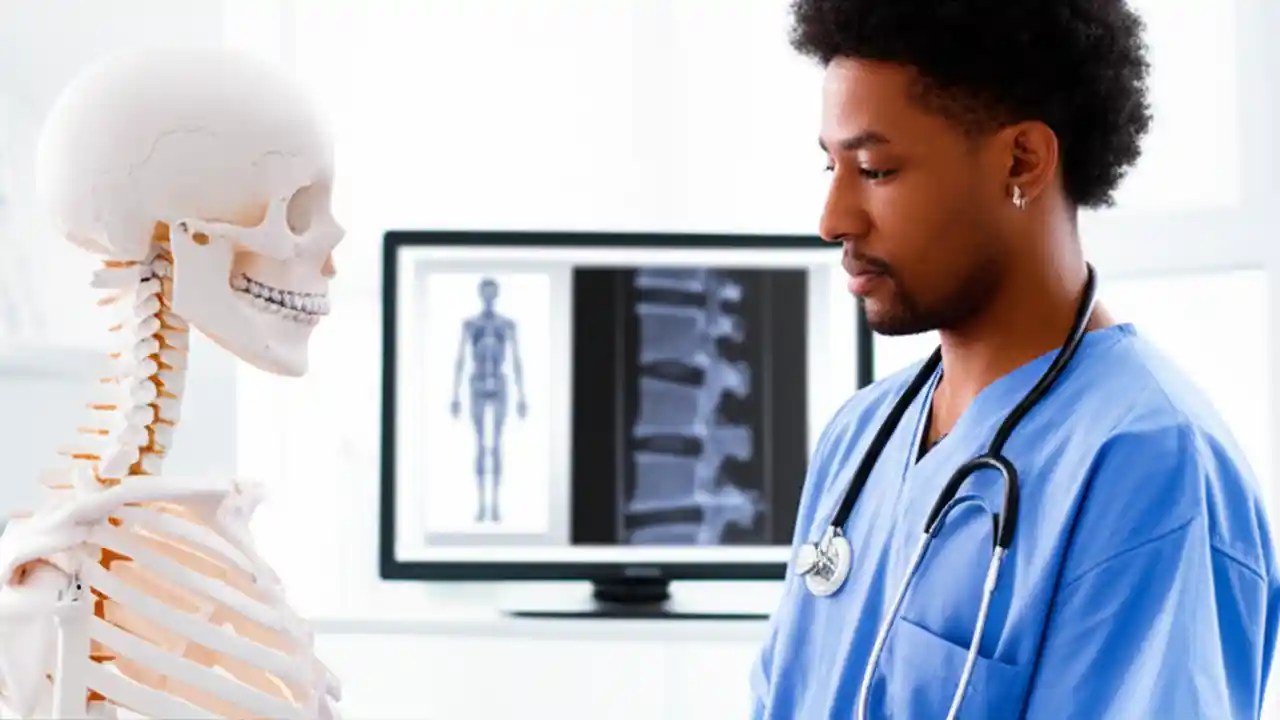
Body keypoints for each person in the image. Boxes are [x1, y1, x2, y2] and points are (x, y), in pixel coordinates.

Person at [751, 1, 1280, 718]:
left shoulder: (1150, 465)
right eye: (830, 164)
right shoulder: (860, 436)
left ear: (1021, 160)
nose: (832, 218)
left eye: (875, 170)